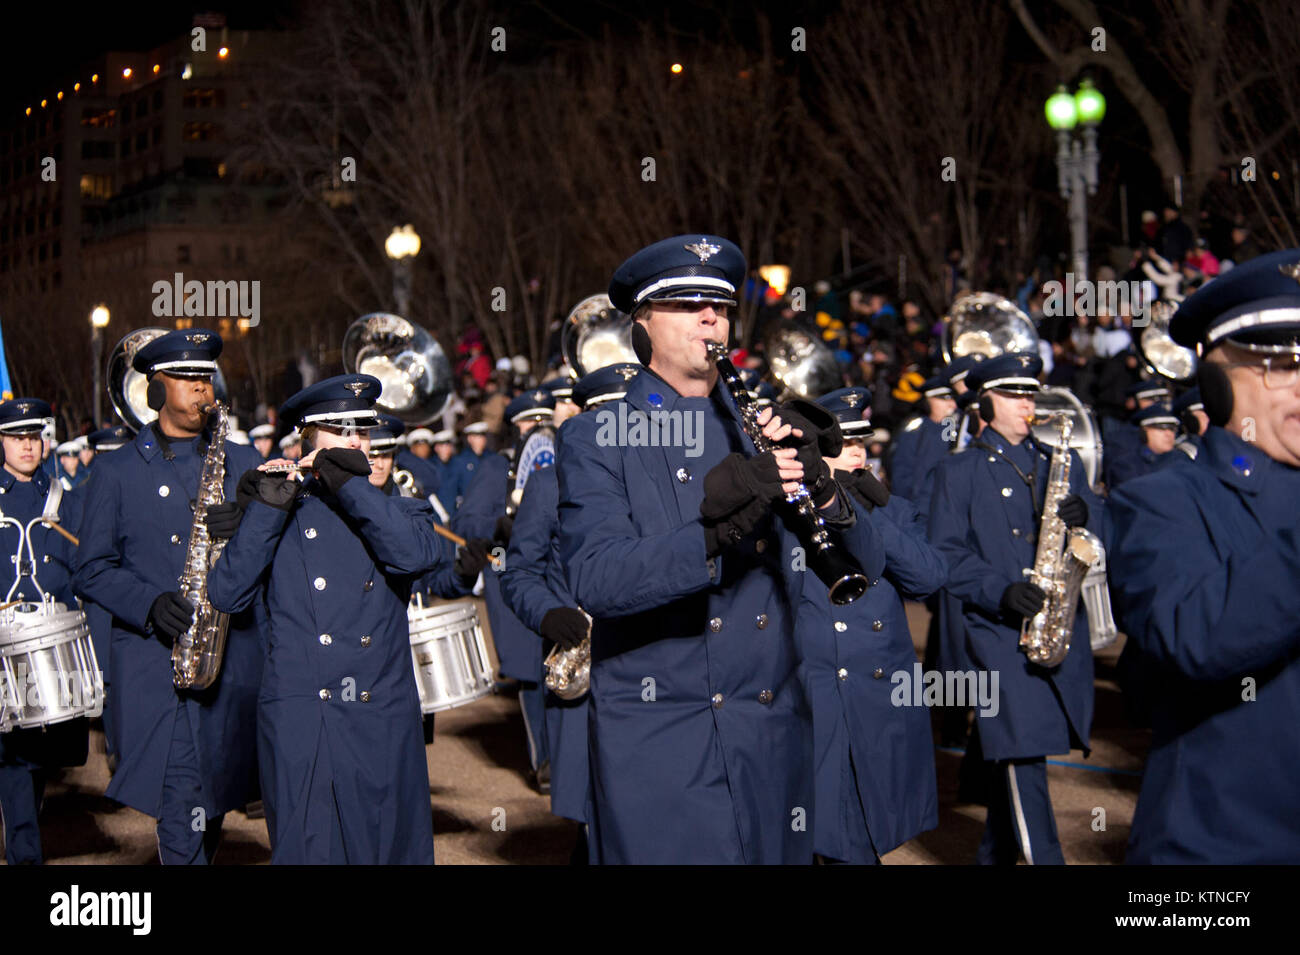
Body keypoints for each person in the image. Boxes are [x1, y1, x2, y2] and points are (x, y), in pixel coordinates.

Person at [557, 234, 886, 863]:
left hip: (771, 730)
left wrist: (823, 492)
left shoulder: (757, 424)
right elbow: (597, 579)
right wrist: (717, 533)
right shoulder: (599, 434)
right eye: (686, 302)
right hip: (664, 737)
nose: (712, 317)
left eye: (722, 305)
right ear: (644, 324)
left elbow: (868, 568)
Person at [207, 375, 460, 864]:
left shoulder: (403, 510)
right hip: (306, 721)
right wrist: (264, 510)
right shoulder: (281, 511)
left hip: (379, 719)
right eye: (338, 429)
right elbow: (227, 593)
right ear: (307, 439)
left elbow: (412, 557)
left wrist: (349, 485)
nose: (353, 440)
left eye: (362, 431)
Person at [1109, 249, 1300, 863]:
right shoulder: (1160, 500)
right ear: (1217, 382)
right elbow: (1192, 633)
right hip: (1220, 854)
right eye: (1283, 365)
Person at [72, 329, 264, 865]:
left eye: (206, 378)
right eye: (188, 379)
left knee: (215, 807)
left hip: (232, 670)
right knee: (180, 811)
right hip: (163, 675)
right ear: (156, 390)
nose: (202, 390)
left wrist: (250, 521)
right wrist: (149, 603)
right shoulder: (115, 471)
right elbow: (91, 569)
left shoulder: (243, 461)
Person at [927, 352, 1107, 864]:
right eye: (1013, 394)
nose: (1028, 403)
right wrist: (998, 589)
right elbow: (944, 554)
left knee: (1014, 750)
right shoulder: (956, 471)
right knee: (1021, 750)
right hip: (997, 632)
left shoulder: (1056, 464)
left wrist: (1086, 514)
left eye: (1030, 393)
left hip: (1054, 623)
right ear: (985, 403)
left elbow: (1097, 541)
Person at [798, 386, 944, 863]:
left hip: (876, 697)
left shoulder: (892, 510)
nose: (860, 449)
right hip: (814, 695)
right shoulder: (790, 513)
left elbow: (926, 578)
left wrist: (862, 513)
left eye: (864, 438)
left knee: (865, 828)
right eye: (846, 441)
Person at [499, 365, 625, 861]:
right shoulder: (550, 482)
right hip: (586, 663)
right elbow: (518, 571)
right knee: (593, 814)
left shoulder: (666, 478)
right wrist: (549, 613)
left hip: (654, 663)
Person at [455, 389, 557, 790]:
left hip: (556, 577)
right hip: (513, 576)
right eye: (529, 423)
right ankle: (545, 760)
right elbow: (468, 523)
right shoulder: (498, 468)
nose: (537, 430)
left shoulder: (568, 456)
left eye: (542, 421)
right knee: (532, 672)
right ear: (516, 429)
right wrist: (500, 525)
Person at [0, 399, 87, 865]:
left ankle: (22, 842)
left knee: (31, 755)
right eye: (17, 437)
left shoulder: (61, 499)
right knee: (13, 755)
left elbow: (79, 567)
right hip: (1, 641)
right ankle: (24, 853)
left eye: (33, 437)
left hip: (48, 639)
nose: (28, 446)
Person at [887, 374, 956, 501]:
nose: (951, 404)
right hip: (920, 505)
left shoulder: (955, 428)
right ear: (929, 400)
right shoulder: (915, 430)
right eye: (943, 399)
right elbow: (901, 475)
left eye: (952, 398)